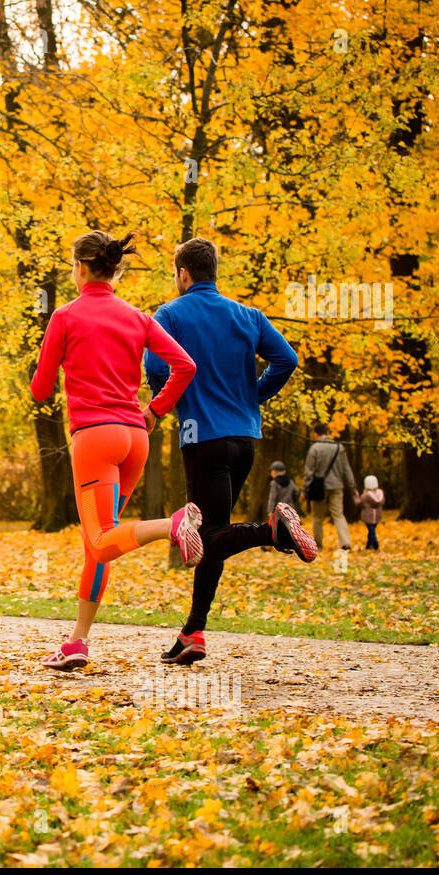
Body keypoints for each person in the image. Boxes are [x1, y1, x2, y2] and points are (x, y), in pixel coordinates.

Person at [32, 229, 202, 671]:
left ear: (83, 268)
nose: (72, 272)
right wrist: (156, 409)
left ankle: (174, 524)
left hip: (95, 439)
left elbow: (40, 389)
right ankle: (76, 643)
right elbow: (185, 365)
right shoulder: (138, 317)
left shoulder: (65, 317)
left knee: (102, 542)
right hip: (135, 440)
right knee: (98, 545)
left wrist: (50, 360)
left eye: (72, 265)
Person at [145, 237, 317, 666]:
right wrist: (254, 398)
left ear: (183, 274)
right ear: (213, 271)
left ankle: (272, 532)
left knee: (203, 536)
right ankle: (193, 633)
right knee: (214, 536)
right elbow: (287, 360)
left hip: (202, 438)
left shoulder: (170, 314)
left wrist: (165, 401)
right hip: (245, 439)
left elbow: (152, 364)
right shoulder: (249, 315)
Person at [303, 423, 356, 551]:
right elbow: (346, 469)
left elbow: (309, 472)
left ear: (316, 434)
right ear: (327, 433)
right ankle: (345, 543)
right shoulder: (339, 448)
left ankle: (318, 545)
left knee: (317, 517)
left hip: (319, 489)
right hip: (337, 486)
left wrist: (305, 490)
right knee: (338, 515)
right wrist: (353, 487)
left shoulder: (314, 449)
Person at [355, 474, 385, 550]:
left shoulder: (365, 496)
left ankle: (375, 544)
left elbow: (359, 503)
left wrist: (356, 497)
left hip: (368, 517)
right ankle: (368, 545)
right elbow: (382, 502)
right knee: (371, 530)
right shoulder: (380, 494)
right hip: (377, 516)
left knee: (372, 531)